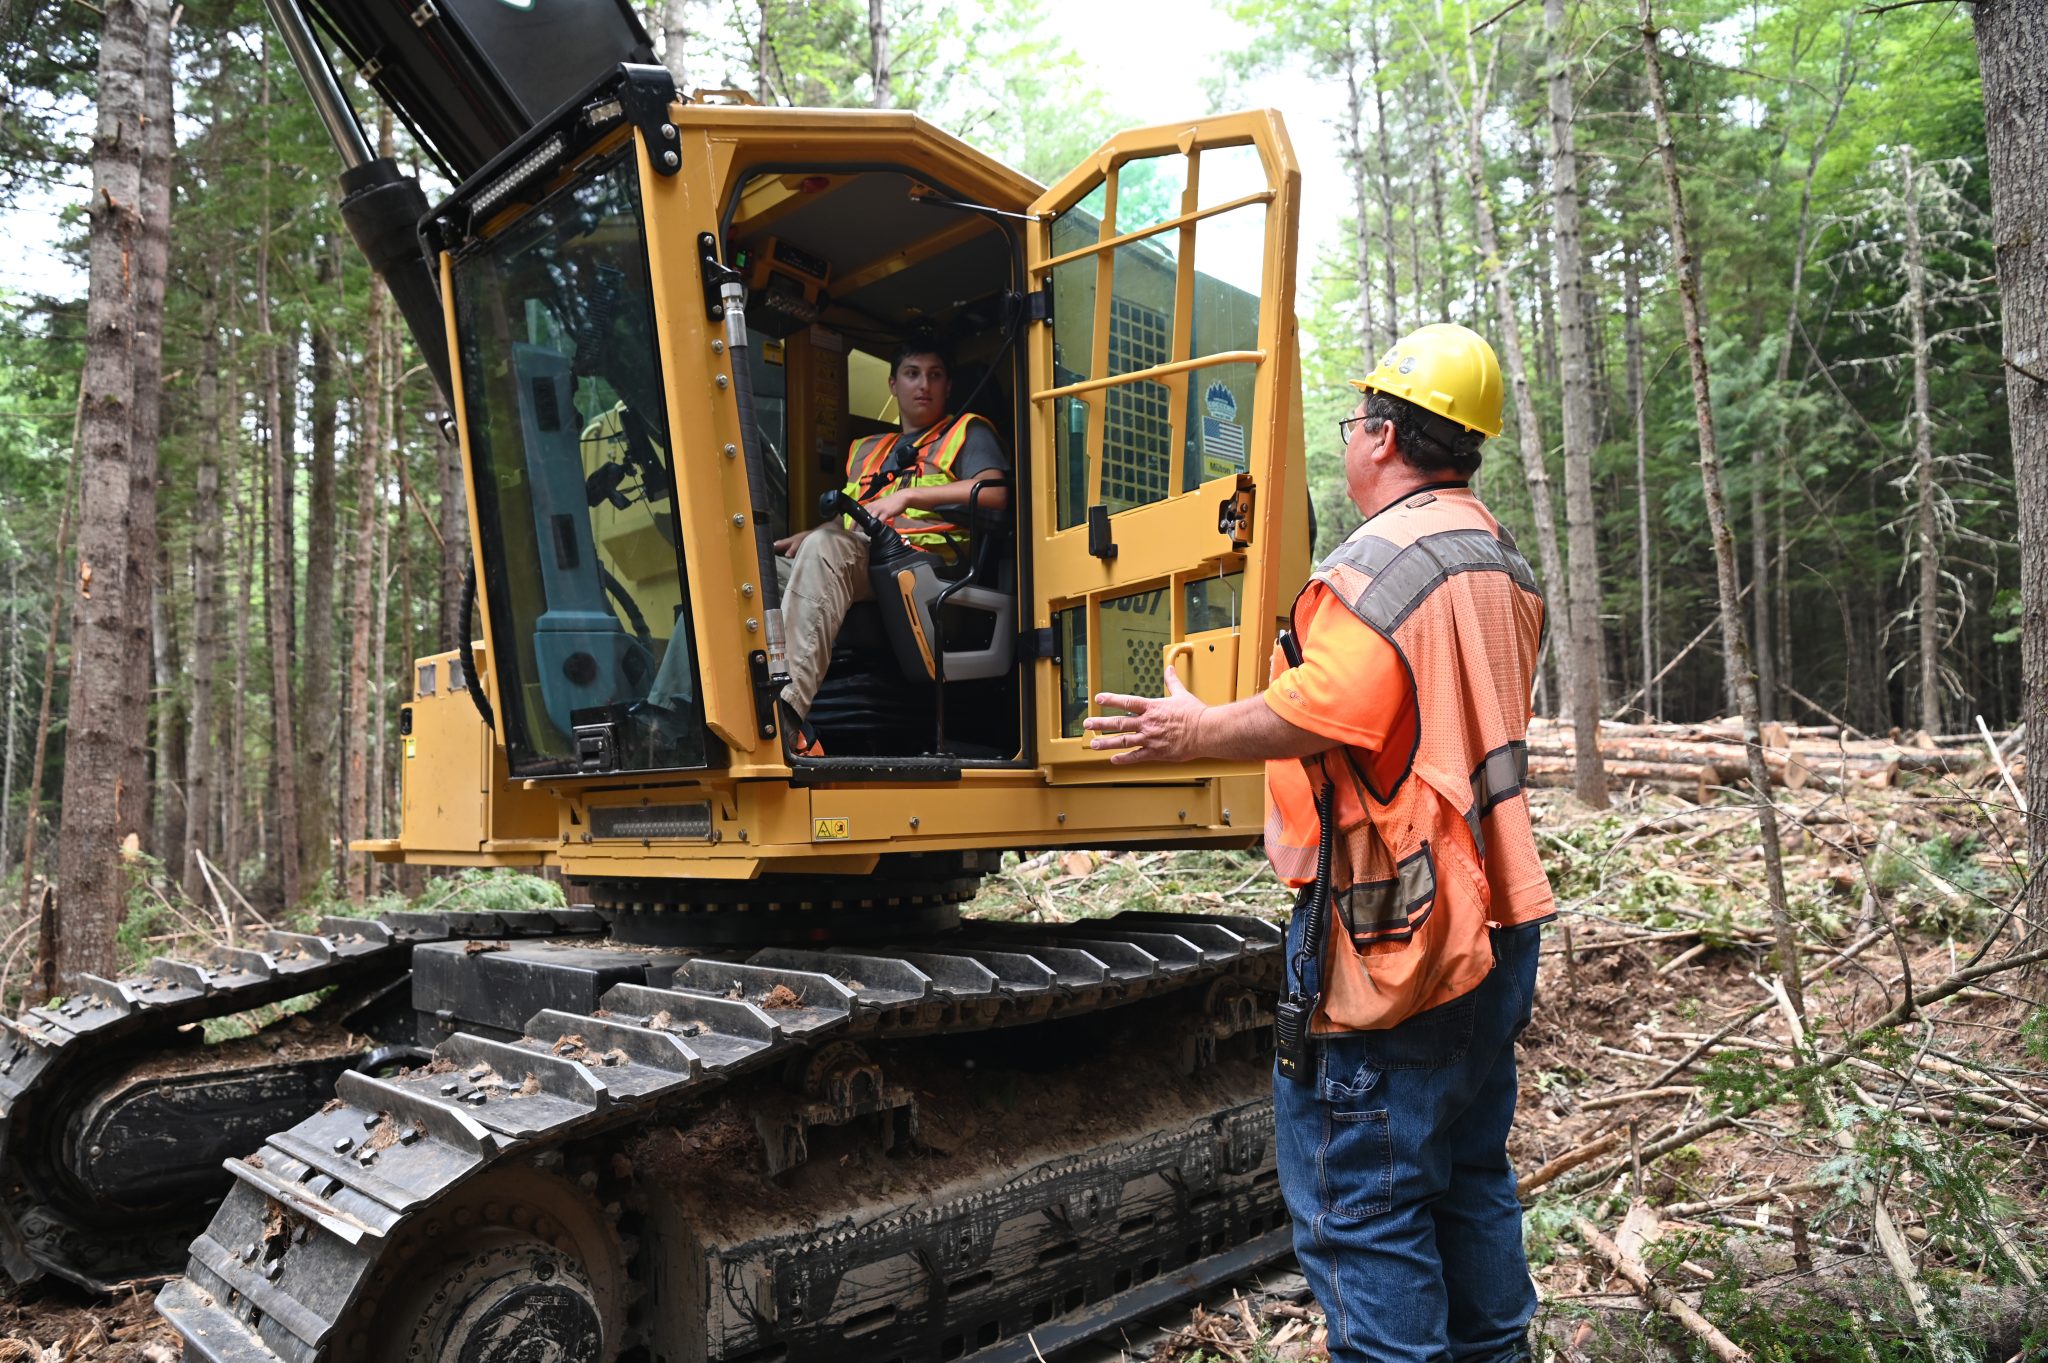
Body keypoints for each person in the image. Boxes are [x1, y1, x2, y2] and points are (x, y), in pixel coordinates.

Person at [1081, 322, 1555, 1363]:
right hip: (1497, 917)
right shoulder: (1496, 558)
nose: (1346, 444)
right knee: (1466, 1173)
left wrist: (1194, 729)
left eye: (1351, 425)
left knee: (1362, 1206)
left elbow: (1332, 703)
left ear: (1381, 436)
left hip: (1395, 931)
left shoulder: (1378, 561)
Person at [773, 339, 1009, 753]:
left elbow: (995, 495)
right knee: (753, 571)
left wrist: (911, 497)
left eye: (935, 375)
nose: (924, 385)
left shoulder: (967, 431)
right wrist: (813, 533)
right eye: (912, 374)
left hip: (926, 568)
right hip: (864, 557)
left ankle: (784, 718)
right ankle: (677, 709)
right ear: (892, 385)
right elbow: (857, 514)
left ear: (948, 386)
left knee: (828, 549)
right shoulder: (867, 450)